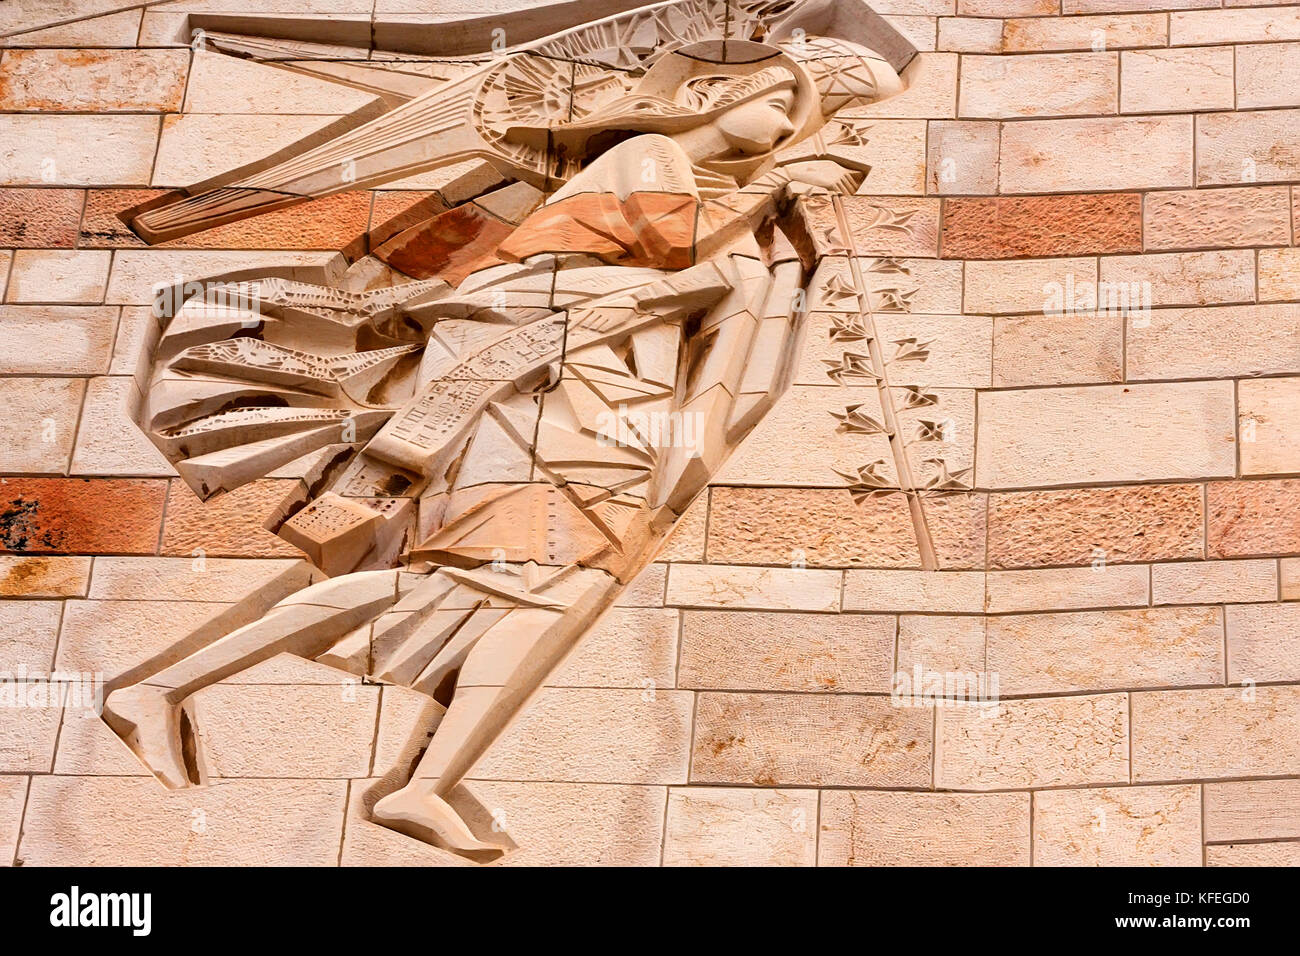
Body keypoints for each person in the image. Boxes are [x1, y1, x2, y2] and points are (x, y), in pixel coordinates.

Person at [103, 36, 901, 861]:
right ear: (710, 96)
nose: (785, 133)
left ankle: (420, 784)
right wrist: (776, 193)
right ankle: (158, 687)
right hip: (550, 366)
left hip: (622, 389)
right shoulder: (650, 154)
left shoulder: (724, 203)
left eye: (799, 124)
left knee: (567, 585)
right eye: (780, 105)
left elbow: (727, 312)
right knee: (490, 573)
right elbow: (669, 246)